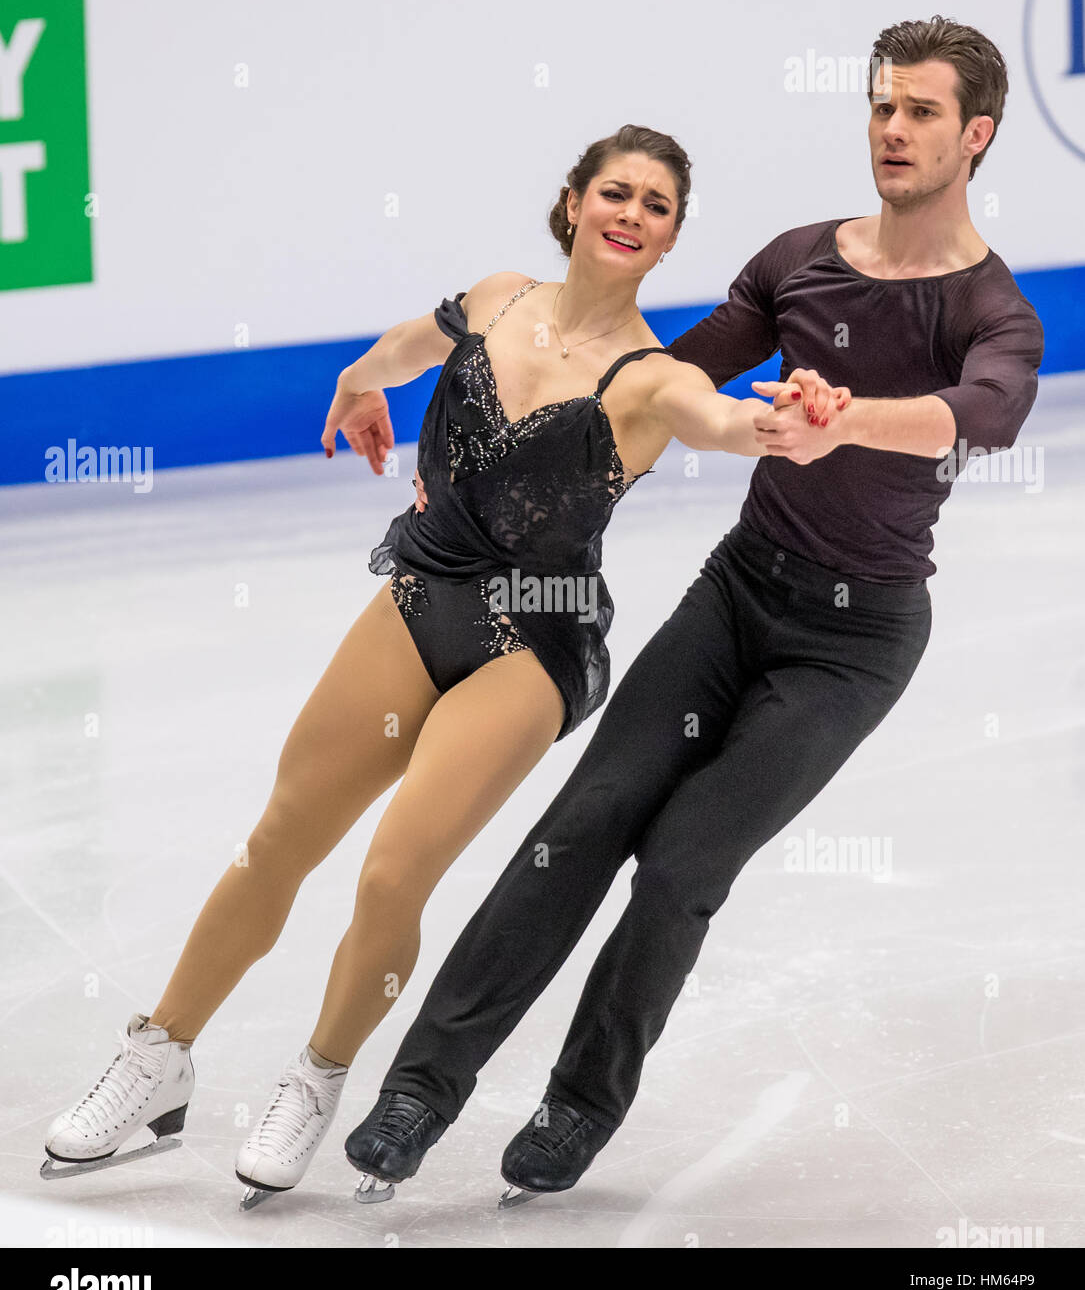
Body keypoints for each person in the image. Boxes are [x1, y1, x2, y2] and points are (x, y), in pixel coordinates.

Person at [39, 124, 845, 1210]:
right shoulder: (499, 296)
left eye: (656, 207)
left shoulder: (656, 378)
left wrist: (785, 424)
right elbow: (408, 345)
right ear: (570, 202)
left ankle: (317, 1077)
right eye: (615, 191)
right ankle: (159, 1054)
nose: (631, 214)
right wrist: (356, 381)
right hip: (419, 594)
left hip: (534, 637)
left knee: (389, 870)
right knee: (280, 834)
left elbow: (726, 424)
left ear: (666, 241)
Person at [343, 16, 1046, 1207]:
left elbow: (977, 414)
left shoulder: (991, 310)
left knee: (678, 867)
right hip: (737, 595)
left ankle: (577, 1106)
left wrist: (841, 418)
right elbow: (652, 384)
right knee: (583, 820)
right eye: (880, 105)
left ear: (972, 134)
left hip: (853, 641)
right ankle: (420, 1087)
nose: (889, 128)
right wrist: (489, 468)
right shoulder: (798, 260)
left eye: (919, 112)